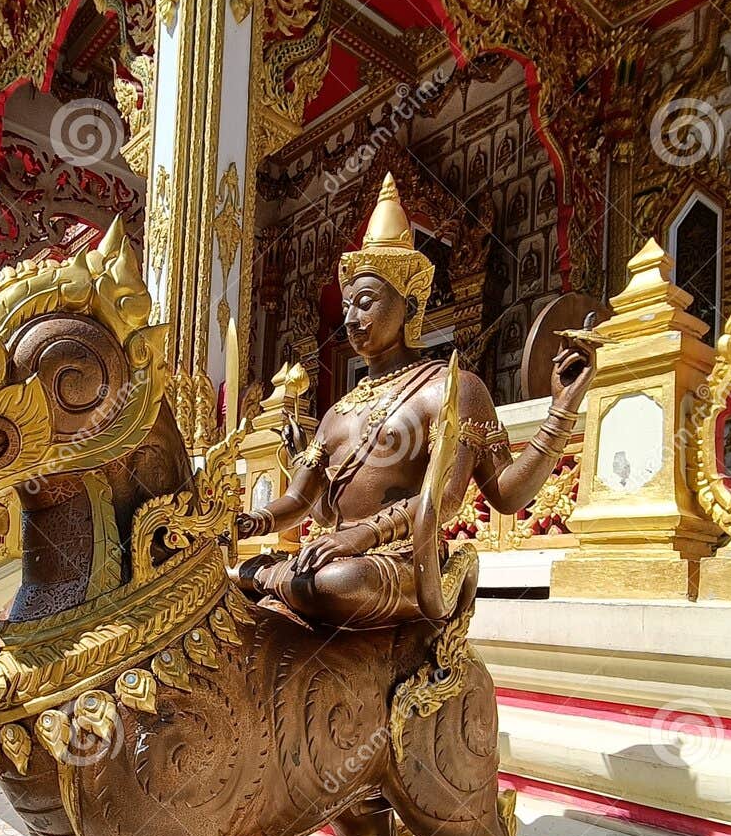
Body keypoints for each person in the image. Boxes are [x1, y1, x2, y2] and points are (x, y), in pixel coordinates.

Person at [235, 174, 595, 626]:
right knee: (237, 574)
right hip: (333, 553)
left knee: (337, 584)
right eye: (347, 306)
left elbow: (477, 497)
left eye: (365, 302)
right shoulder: (335, 413)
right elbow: (298, 499)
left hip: (401, 561)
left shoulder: (452, 387)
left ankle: (281, 581)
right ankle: (278, 580)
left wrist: (562, 411)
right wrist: (255, 521)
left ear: (409, 302)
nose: (351, 318)